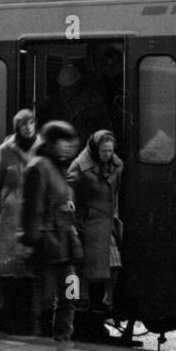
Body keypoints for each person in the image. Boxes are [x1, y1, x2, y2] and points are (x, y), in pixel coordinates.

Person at [21, 120, 86, 351]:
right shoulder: (39, 167)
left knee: (70, 294)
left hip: (63, 244)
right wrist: (33, 240)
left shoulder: (60, 167)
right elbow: (32, 208)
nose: (71, 147)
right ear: (50, 143)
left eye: (73, 143)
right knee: (40, 301)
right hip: (48, 245)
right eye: (65, 142)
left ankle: (63, 350)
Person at [0, 109, 37, 335]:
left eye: (31, 124)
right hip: (9, 212)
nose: (29, 128)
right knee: (0, 264)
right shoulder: (6, 149)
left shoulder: (42, 148)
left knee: (29, 266)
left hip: (32, 212)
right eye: (24, 125)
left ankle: (27, 321)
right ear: (17, 128)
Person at [68, 129, 123, 340]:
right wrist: (75, 217)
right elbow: (69, 188)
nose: (107, 154)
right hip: (89, 222)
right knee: (87, 268)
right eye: (104, 150)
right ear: (95, 149)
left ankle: (103, 302)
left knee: (113, 263)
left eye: (110, 150)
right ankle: (88, 306)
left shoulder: (116, 165)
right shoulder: (80, 166)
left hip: (107, 221)